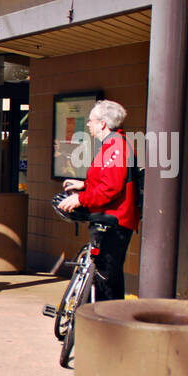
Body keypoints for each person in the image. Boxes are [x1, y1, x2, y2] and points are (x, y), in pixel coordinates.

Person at [57, 99, 140, 299]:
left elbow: (110, 189)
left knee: (106, 278)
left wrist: (81, 199)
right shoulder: (112, 144)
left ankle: (107, 322)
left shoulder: (116, 147)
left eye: (90, 120)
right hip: (110, 217)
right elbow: (107, 179)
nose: (87, 124)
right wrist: (84, 185)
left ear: (102, 123)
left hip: (114, 221)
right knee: (104, 273)